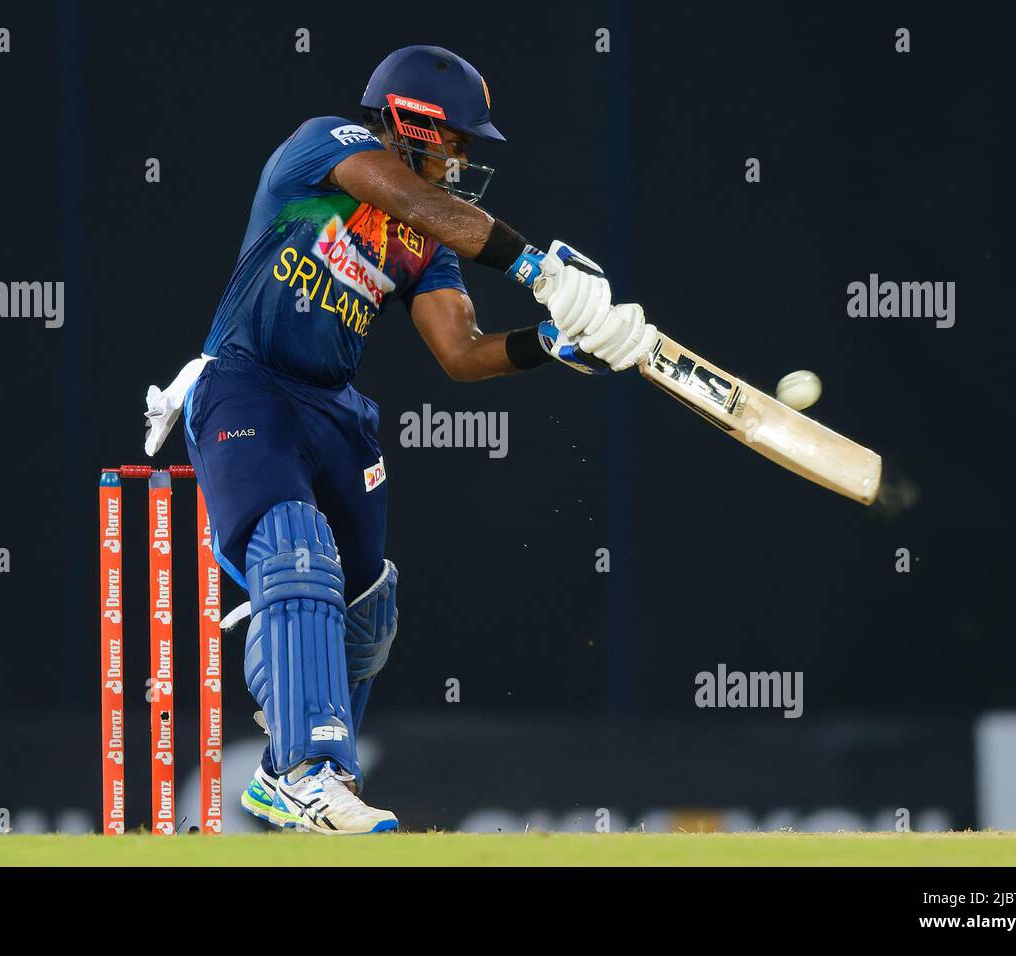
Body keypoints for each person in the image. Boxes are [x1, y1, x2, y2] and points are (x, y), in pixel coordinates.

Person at [143, 45, 657, 833]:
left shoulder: (427, 243)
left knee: (366, 612)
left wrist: (551, 341)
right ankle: (302, 774)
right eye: (456, 139)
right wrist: (535, 265)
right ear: (411, 123)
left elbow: (460, 353)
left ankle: (302, 735)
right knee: (296, 550)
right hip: (247, 384)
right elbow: (414, 202)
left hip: (334, 411)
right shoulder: (328, 147)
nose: (462, 157)